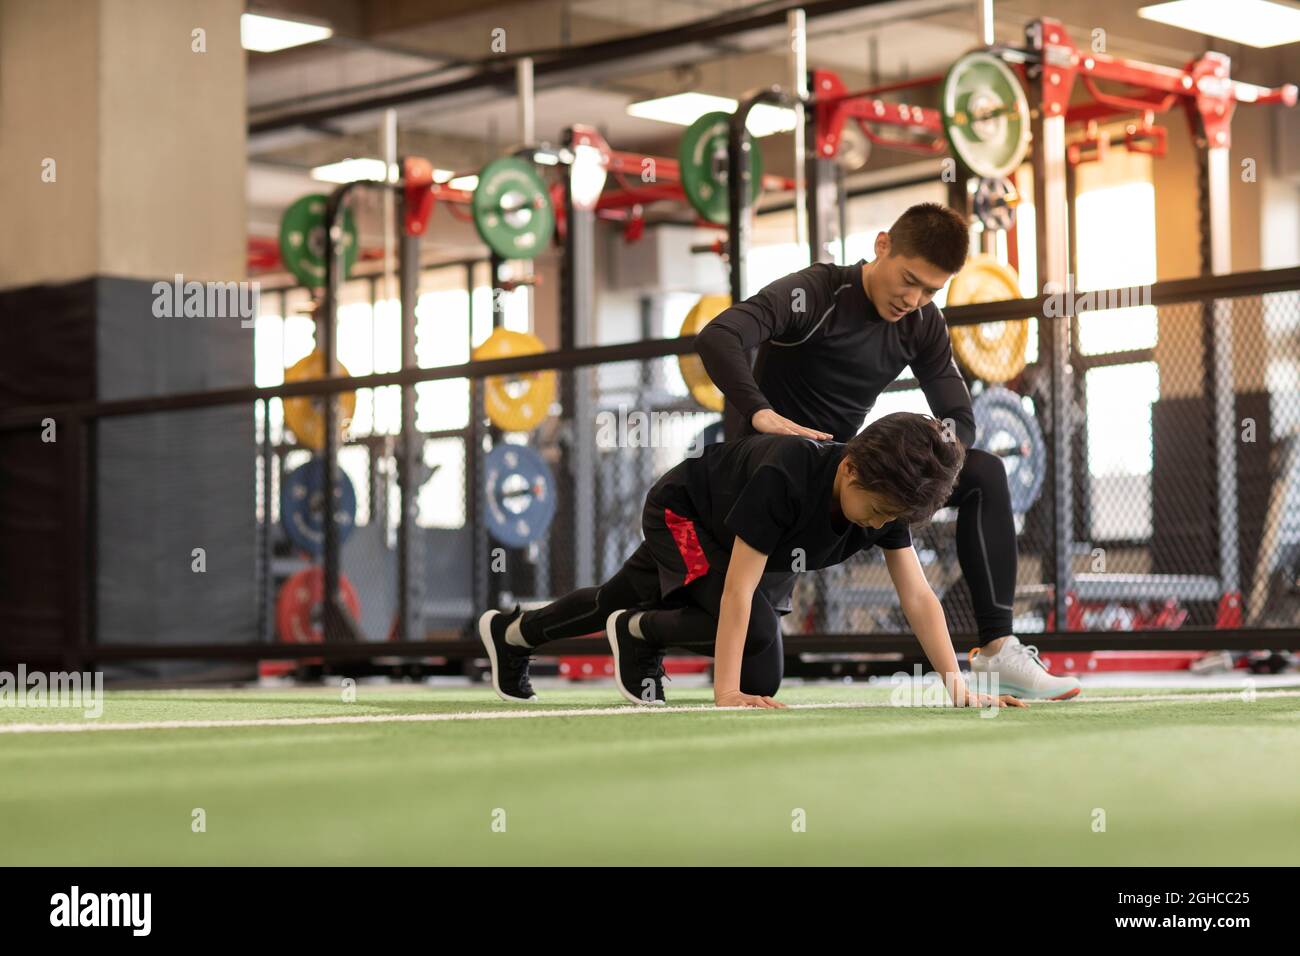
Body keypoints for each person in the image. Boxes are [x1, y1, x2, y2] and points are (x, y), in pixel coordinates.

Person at [694, 202, 1079, 701]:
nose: (914, 299)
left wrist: (919, 468)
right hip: (777, 472)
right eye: (909, 279)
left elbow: (959, 421)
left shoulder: (921, 322)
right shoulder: (817, 293)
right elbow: (718, 335)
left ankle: (998, 647)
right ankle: (641, 629)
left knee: (983, 471)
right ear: (882, 246)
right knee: (756, 676)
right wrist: (759, 412)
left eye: (930, 291)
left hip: (855, 467)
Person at [478, 412, 1025, 710]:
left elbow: (918, 596)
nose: (881, 526)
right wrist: (725, 693)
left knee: (755, 672)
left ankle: (515, 635)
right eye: (878, 512)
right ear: (850, 470)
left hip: (731, 537)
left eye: (892, 519)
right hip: (685, 516)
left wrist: (956, 684)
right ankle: (639, 634)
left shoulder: (886, 502)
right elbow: (740, 591)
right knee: (751, 627)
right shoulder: (787, 476)